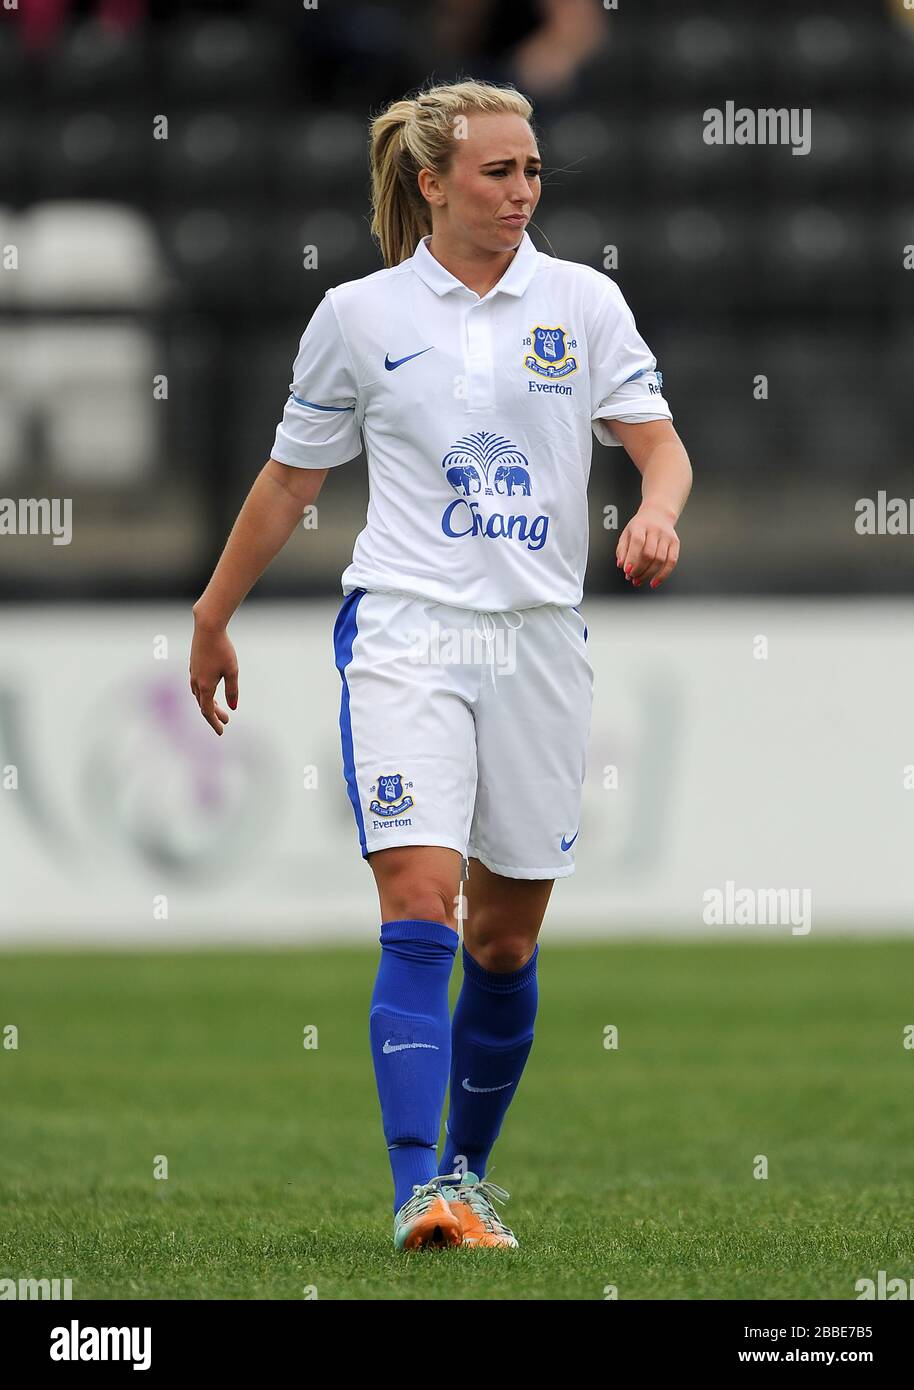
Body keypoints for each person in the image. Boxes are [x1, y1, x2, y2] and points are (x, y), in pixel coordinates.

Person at [189, 78, 692, 1252]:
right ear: (430, 183)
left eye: (531, 172)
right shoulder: (358, 316)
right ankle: (417, 1188)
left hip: (537, 644)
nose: (521, 192)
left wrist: (654, 511)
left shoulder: (582, 301)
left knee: (503, 941)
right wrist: (213, 615)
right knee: (420, 904)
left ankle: (469, 1173)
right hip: (408, 634)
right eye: (496, 172)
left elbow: (659, 449)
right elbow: (287, 483)